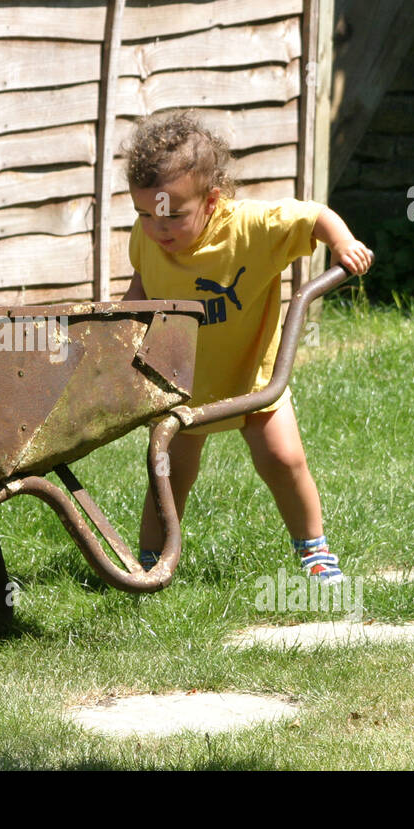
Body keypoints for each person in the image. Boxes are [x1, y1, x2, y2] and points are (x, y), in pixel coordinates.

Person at [122, 110, 373, 583]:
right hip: (181, 384)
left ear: (212, 200)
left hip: (252, 379)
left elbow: (314, 215)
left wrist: (342, 242)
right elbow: (142, 283)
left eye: (173, 216)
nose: (158, 229)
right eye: (144, 215)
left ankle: (314, 552)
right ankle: (151, 563)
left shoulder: (252, 226)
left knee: (283, 460)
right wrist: (121, 328)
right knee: (168, 473)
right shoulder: (149, 236)